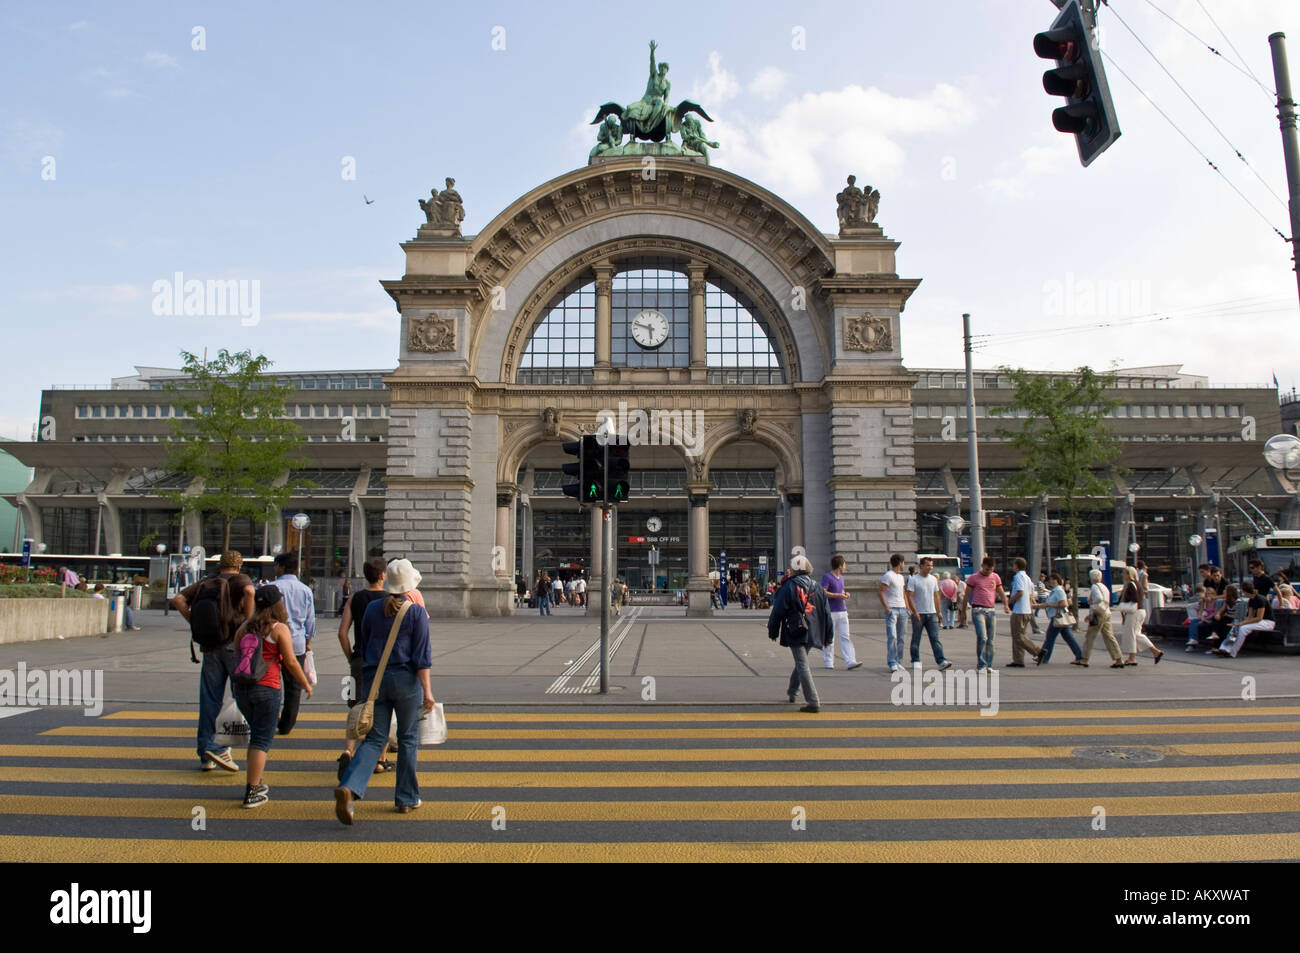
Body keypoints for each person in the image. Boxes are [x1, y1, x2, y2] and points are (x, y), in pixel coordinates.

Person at [334, 559, 434, 824]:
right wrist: (428, 691)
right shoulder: (416, 613)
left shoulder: (371, 609)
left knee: (375, 738)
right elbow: (422, 657)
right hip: (405, 680)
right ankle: (406, 798)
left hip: (374, 679)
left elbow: (363, 643)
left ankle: (351, 786)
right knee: (408, 738)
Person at [173, 550, 255, 772]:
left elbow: (178, 599)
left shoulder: (206, 582)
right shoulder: (241, 580)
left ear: (221, 565)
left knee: (210, 698)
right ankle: (220, 747)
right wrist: (247, 623)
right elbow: (249, 591)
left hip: (210, 646)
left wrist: (193, 621)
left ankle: (205, 754)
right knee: (240, 697)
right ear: (239, 565)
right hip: (232, 645)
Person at [231, 585, 312, 808]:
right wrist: (305, 683)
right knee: (261, 740)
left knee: (256, 735)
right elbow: (291, 661)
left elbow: (237, 653)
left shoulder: (245, 627)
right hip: (267, 688)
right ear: (278, 604)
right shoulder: (278, 629)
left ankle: (255, 781)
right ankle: (252, 791)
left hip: (242, 689)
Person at [335, 557, 393, 779]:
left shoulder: (356, 598)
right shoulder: (390, 599)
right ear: (382, 575)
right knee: (382, 709)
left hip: (360, 660)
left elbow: (342, 633)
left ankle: (348, 750)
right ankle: (380, 759)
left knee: (356, 706)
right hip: (383, 662)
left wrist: (351, 656)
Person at [767, 555, 833, 713]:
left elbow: (778, 611)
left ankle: (813, 701)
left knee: (802, 664)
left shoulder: (789, 586)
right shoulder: (817, 587)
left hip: (796, 629)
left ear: (795, 569)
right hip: (814, 630)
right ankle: (792, 691)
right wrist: (828, 636)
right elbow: (827, 613)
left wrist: (773, 631)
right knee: (801, 663)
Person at [272, 552, 316, 736]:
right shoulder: (305, 589)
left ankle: (271, 718)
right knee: (293, 686)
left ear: (281, 567)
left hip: (272, 641)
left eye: (276, 565)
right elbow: (310, 620)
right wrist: (308, 641)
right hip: (296, 643)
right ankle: (287, 724)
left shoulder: (272, 588)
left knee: (272, 683)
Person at [962, 556, 1008, 672]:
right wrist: (963, 612)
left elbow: (1001, 593)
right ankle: (981, 664)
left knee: (991, 640)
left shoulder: (995, 577)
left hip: (991, 611)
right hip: (978, 610)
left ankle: (989, 664)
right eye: (987, 569)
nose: (989, 572)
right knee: (982, 637)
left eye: (991, 570)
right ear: (982, 566)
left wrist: (1006, 605)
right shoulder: (974, 578)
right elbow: (966, 595)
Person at [907, 557, 952, 670]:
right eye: (927, 565)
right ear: (921, 566)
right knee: (916, 638)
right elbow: (909, 596)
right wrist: (914, 611)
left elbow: (936, 596)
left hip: (932, 613)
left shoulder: (933, 579)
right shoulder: (914, 579)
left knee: (935, 638)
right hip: (919, 613)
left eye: (931, 566)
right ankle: (915, 660)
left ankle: (941, 660)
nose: (930, 568)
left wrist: (939, 611)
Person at [1214, 580, 1275, 657]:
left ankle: (1232, 652)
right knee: (1236, 627)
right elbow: (1250, 616)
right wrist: (1238, 623)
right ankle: (1224, 648)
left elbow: (1259, 618)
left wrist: (1242, 623)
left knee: (1243, 628)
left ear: (1245, 591)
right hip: (1259, 622)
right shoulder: (1251, 600)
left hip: (1268, 622)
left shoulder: (1260, 599)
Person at [1035, 571, 1084, 665]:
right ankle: (1079, 656)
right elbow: (1048, 603)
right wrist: (1037, 606)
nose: (1051, 581)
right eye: (1051, 580)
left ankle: (1043, 657)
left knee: (1050, 637)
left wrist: (1050, 605)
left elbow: (1064, 604)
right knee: (1068, 638)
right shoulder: (1055, 590)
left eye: (1053, 579)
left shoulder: (1058, 590)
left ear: (1057, 580)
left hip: (1058, 617)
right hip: (1060, 618)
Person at [820, 554, 859, 670]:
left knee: (845, 637)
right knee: (830, 638)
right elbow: (823, 592)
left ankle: (850, 661)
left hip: (843, 611)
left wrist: (845, 594)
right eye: (844, 564)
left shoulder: (841, 578)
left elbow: (841, 590)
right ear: (840, 566)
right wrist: (837, 595)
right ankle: (828, 661)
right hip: (831, 611)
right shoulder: (827, 577)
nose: (845, 567)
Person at [1081, 568, 1125, 668]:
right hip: (1107, 612)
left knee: (1090, 636)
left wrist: (1093, 604)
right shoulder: (1104, 587)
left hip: (1098, 614)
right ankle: (1118, 659)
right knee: (1109, 636)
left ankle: (1084, 659)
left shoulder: (1094, 587)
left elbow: (1098, 598)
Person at [1118, 571, 1162, 665]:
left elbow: (1134, 599)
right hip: (1140, 611)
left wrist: (1124, 595)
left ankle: (1132, 658)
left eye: (1124, 573)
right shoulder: (1137, 584)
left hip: (1134, 612)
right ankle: (1155, 652)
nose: (1122, 575)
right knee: (1136, 634)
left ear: (1129, 574)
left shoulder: (1130, 584)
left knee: (1131, 635)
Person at [1005, 557, 1041, 667]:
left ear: (1016, 566)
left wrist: (1009, 601)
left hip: (1019, 610)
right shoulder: (1027, 578)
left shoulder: (1018, 577)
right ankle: (1018, 660)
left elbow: (1020, 592)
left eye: (1014, 565)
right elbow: (1030, 595)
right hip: (1026, 610)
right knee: (1020, 635)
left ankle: (1038, 651)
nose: (1012, 567)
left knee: (1018, 636)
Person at [878, 553, 910, 673]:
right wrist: (886, 607)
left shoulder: (901, 577)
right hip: (892, 609)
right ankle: (892, 662)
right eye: (903, 562)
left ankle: (898, 661)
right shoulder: (888, 576)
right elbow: (880, 592)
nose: (904, 565)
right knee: (892, 636)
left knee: (901, 637)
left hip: (902, 609)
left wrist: (907, 607)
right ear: (900, 563)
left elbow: (903, 593)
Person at [1186, 586, 1221, 651]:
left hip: (1212, 619)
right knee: (1193, 622)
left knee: (1199, 624)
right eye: (1207, 594)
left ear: (1214, 594)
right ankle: (1192, 641)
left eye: (1210, 594)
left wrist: (1206, 619)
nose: (1208, 595)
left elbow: (1215, 613)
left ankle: (1193, 642)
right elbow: (1200, 612)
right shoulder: (1203, 601)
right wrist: (1203, 618)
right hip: (1205, 619)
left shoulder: (1216, 602)